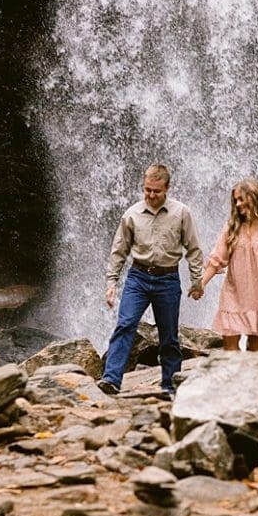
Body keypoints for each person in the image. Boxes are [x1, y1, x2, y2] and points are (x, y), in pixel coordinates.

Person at [99, 163, 204, 394]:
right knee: (125, 325)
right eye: (147, 190)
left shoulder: (181, 213)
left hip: (167, 279)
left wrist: (197, 282)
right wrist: (111, 283)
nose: (151, 195)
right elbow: (119, 250)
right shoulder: (132, 214)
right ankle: (111, 379)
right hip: (138, 277)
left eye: (156, 191)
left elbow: (193, 249)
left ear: (167, 188)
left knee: (168, 336)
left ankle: (170, 385)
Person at [203, 178, 258, 350]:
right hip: (234, 292)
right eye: (236, 200)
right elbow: (217, 259)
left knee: (257, 348)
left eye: (242, 199)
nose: (238, 204)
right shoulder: (232, 226)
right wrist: (201, 283)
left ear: (255, 197)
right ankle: (234, 376)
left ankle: (252, 377)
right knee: (229, 346)